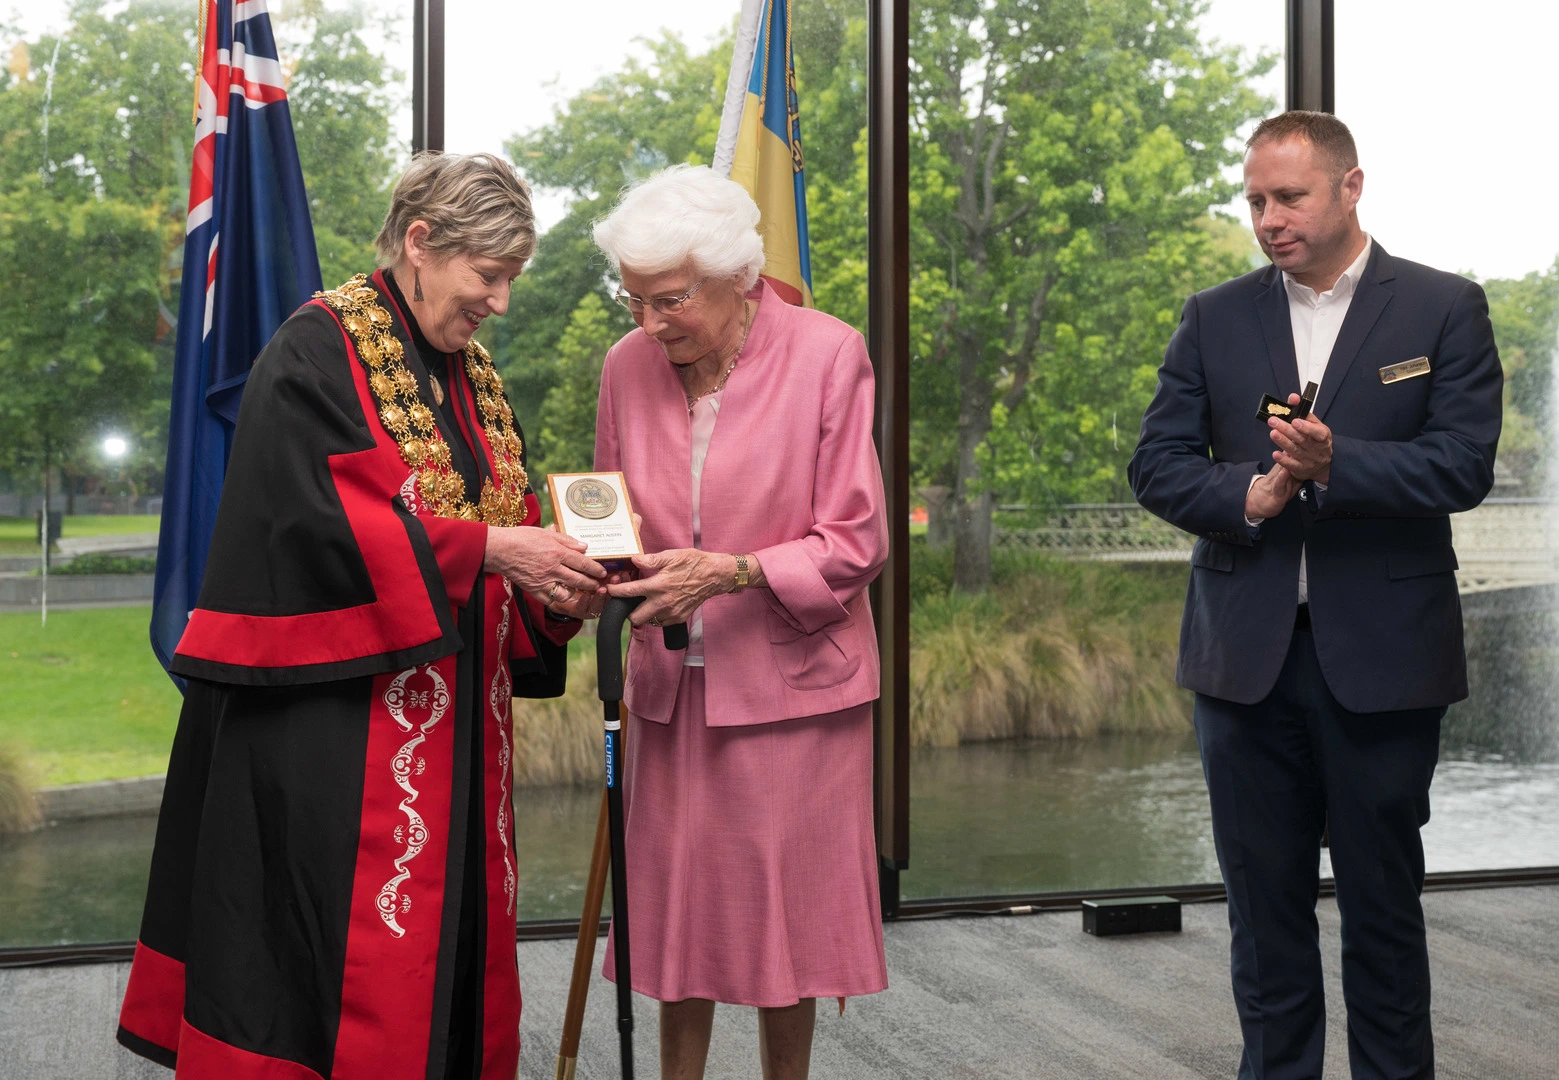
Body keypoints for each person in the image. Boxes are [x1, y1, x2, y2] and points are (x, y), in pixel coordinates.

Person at [116, 152, 609, 1079]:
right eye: (489, 276)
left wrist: (550, 586)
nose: (500, 302)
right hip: (333, 744)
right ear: (420, 243)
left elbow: (488, 519)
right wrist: (497, 553)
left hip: (460, 738)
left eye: (511, 278)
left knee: (454, 964)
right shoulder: (315, 349)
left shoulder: (472, 373)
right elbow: (315, 525)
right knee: (326, 979)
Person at [1129, 111, 1502, 1080]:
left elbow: (1460, 468)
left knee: (1382, 915)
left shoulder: (1441, 308)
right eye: (1253, 200)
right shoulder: (1212, 314)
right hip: (1240, 663)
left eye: (1287, 196)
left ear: (1348, 188)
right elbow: (1156, 465)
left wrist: (1338, 463)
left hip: (1384, 661)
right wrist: (1243, 493)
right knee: (1262, 919)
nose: (1266, 218)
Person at [584, 164, 889, 1080]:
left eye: (670, 300)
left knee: (782, 924)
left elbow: (857, 539)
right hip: (670, 691)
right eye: (633, 301)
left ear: (738, 278)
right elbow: (612, 518)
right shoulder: (624, 364)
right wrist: (601, 567)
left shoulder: (828, 353)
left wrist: (733, 572)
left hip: (794, 691)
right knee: (678, 918)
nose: (649, 323)